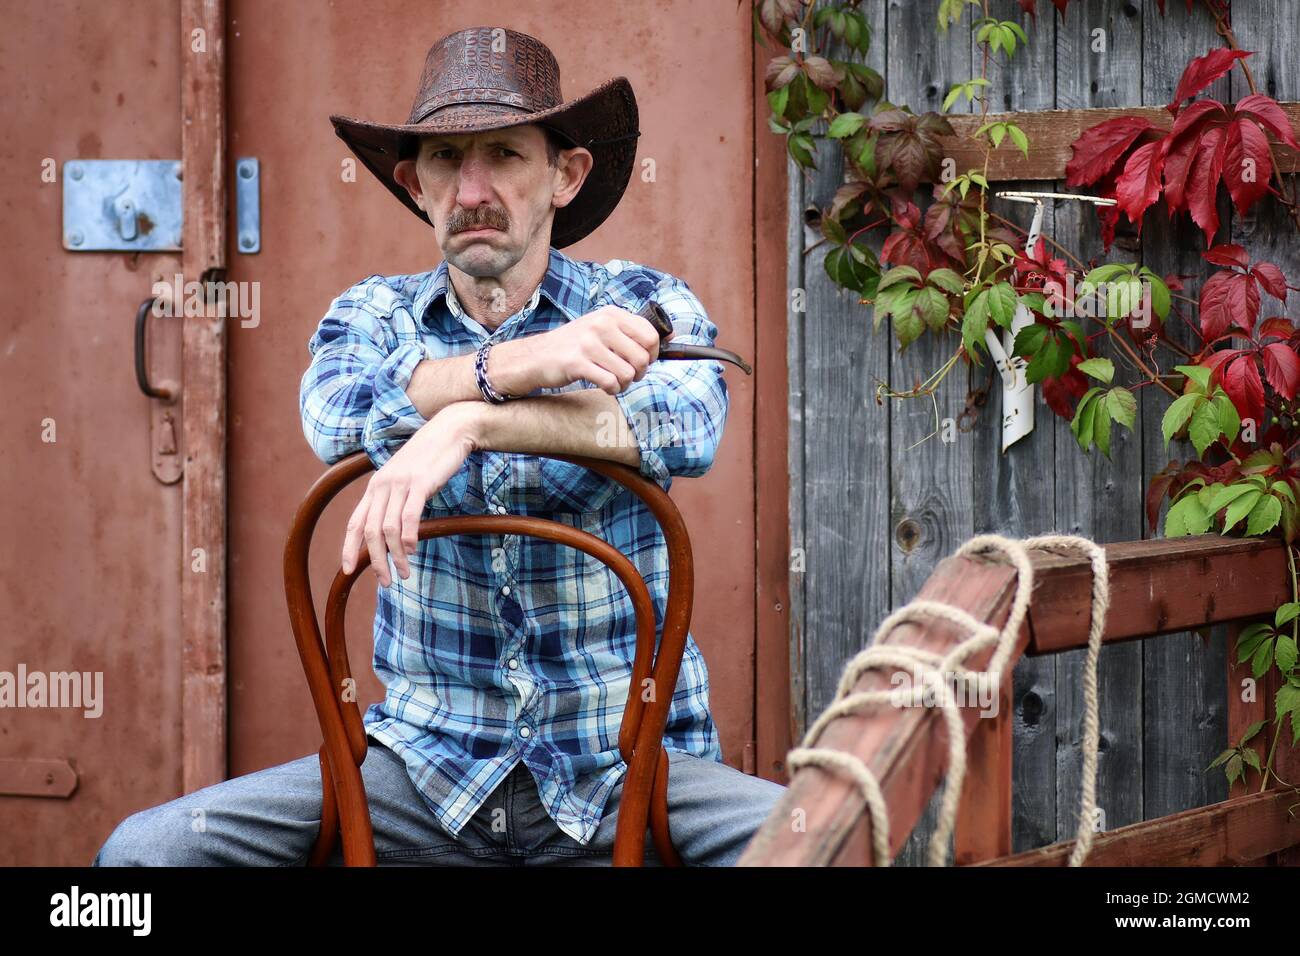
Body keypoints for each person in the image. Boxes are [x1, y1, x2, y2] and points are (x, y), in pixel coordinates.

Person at [93, 25, 784, 867]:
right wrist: (523, 365)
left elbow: (686, 426)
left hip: (626, 773)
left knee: (849, 846)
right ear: (414, 183)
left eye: (504, 153)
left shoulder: (637, 300)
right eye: (448, 160)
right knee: (143, 857)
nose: (474, 188)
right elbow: (335, 412)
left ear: (566, 175)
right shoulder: (374, 314)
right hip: (425, 774)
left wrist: (469, 422)